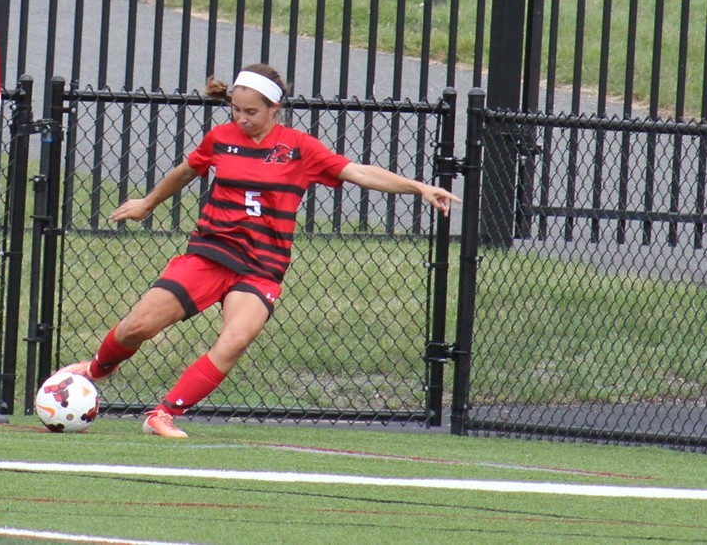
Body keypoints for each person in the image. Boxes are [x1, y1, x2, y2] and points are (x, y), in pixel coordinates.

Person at [59, 63, 461, 438]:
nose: (241, 118)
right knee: (138, 326)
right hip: (210, 253)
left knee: (234, 341)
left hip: (261, 266)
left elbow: (357, 172)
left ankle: (163, 414)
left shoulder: (299, 149)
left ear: (275, 108)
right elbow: (186, 170)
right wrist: (148, 203)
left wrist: (418, 187)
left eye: (251, 111)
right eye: (236, 110)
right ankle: (96, 369)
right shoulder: (221, 139)